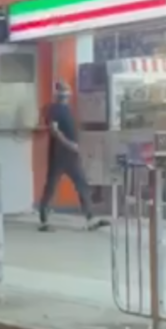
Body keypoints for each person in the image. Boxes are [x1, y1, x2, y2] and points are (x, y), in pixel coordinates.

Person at [39, 81, 106, 232]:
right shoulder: (54, 110)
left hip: (70, 155)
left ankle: (90, 218)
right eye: (63, 92)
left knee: (80, 184)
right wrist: (70, 144)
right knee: (52, 187)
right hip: (59, 155)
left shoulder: (67, 109)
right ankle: (44, 220)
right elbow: (54, 130)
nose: (66, 95)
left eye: (66, 92)